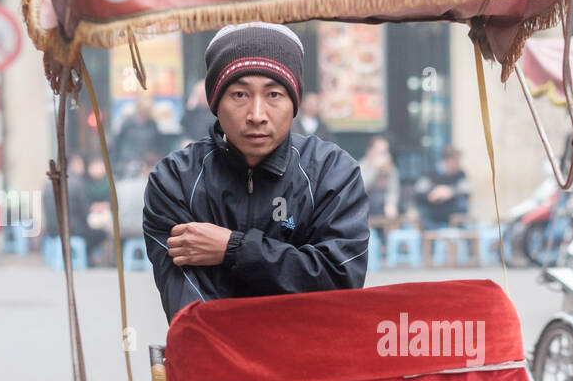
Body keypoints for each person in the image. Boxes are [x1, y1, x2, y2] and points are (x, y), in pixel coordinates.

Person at [142, 22, 369, 321]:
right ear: (215, 103)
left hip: (308, 361)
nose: (257, 115)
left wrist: (233, 248)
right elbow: (189, 308)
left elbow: (339, 281)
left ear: (294, 103)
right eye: (239, 95)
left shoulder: (331, 173)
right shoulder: (175, 180)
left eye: (274, 94)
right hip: (212, 360)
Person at [41, 154, 107, 263]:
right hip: (72, 229)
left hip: (52, 230)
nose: (83, 167)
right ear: (74, 165)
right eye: (80, 164)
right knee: (101, 234)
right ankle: (83, 258)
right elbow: (85, 214)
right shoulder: (78, 182)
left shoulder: (49, 182)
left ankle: (73, 255)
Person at [413, 146, 470, 230]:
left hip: (451, 209)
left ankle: (458, 232)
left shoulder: (461, 174)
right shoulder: (430, 172)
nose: (459, 164)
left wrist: (450, 191)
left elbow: (466, 192)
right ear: (448, 161)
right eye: (457, 161)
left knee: (463, 204)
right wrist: (434, 193)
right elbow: (419, 192)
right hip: (433, 210)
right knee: (422, 210)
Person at [113, 95, 167, 176]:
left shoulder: (153, 125)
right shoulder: (127, 124)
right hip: (130, 161)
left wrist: (156, 156)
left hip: (149, 163)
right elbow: (117, 145)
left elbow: (160, 145)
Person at [359, 135, 400, 221]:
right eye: (380, 152)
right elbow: (360, 191)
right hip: (364, 214)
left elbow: (393, 190)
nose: (385, 155)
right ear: (369, 151)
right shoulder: (361, 167)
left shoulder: (390, 169)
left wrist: (391, 204)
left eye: (386, 152)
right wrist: (375, 171)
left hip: (384, 213)